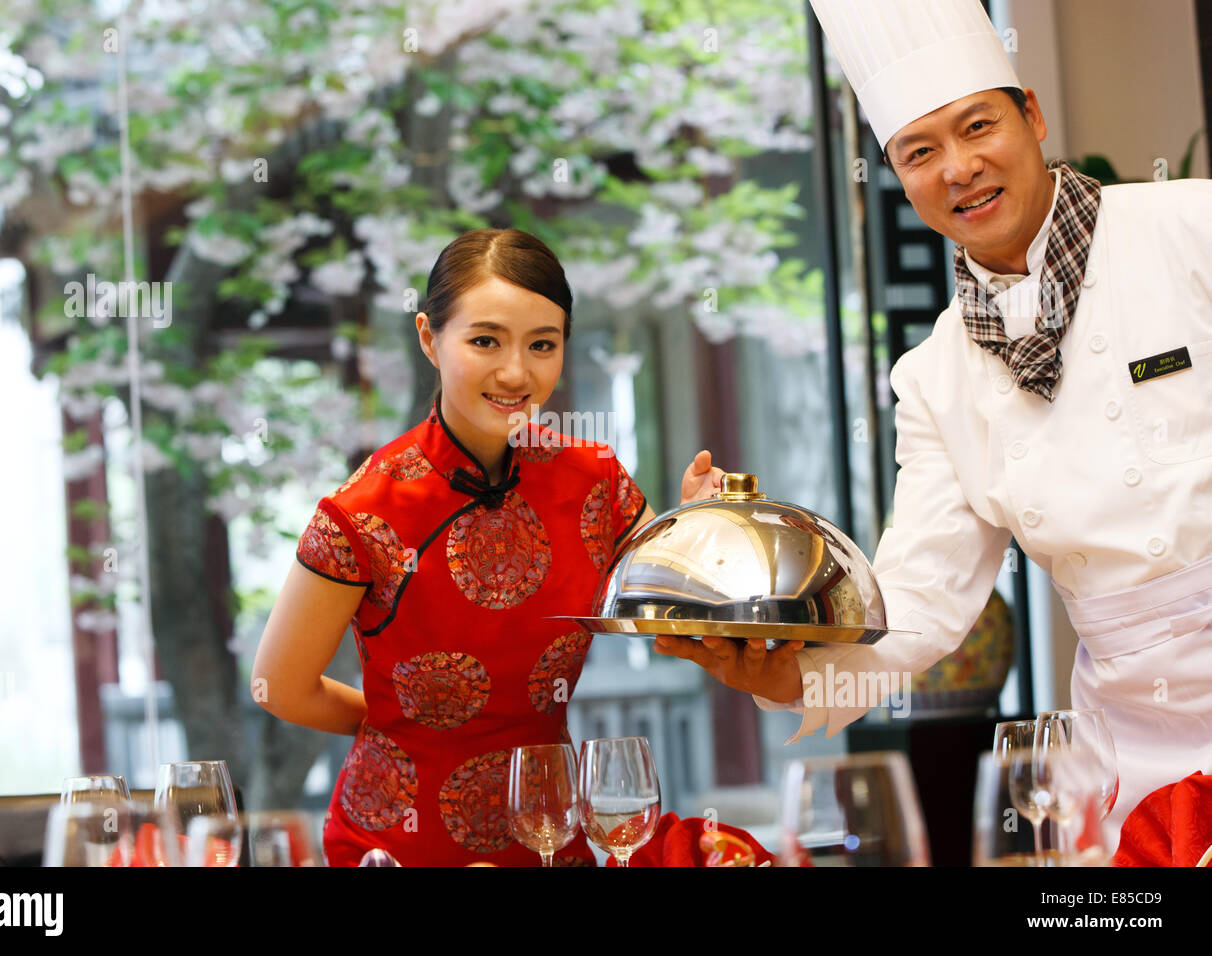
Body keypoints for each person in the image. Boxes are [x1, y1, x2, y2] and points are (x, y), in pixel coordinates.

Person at [654, 0, 1212, 852]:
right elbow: (920, 601)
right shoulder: (935, 375)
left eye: (977, 126)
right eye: (919, 152)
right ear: (896, 175)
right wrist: (786, 666)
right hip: (1125, 769)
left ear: (1031, 113)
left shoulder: (1190, 228)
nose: (959, 169)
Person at [252, 228, 726, 865]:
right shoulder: (362, 511)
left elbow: (665, 608)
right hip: (394, 846)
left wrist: (695, 524)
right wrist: (405, 725)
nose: (516, 372)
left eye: (542, 345)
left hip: (550, 837)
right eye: (484, 341)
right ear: (429, 338)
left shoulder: (598, 482)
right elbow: (278, 686)